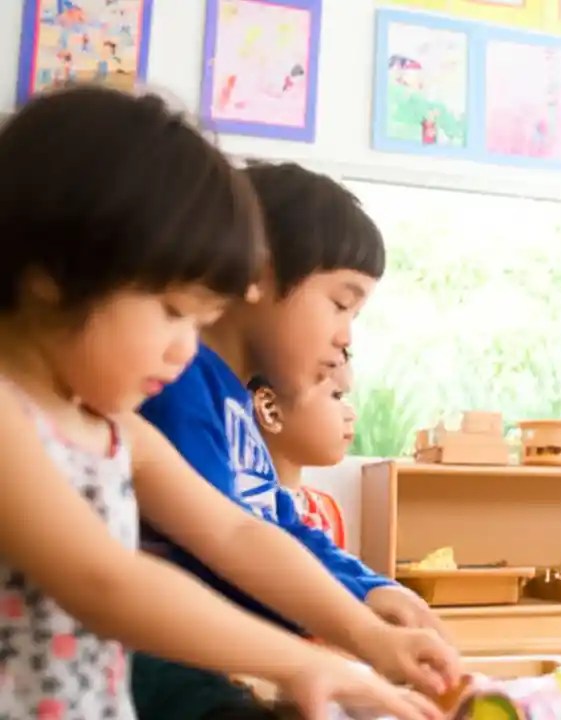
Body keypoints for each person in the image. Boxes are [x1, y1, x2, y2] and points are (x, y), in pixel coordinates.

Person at [0, 86, 436, 720]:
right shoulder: (10, 418)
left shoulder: (112, 427)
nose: (186, 351)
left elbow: (235, 530)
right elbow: (105, 583)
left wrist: (368, 635)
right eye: (174, 313)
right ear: (54, 275)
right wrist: (300, 661)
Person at [131, 161, 460, 717]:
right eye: (340, 303)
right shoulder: (180, 387)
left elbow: (269, 526)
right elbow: (222, 541)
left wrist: (369, 591)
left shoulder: (231, 402)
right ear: (258, 275)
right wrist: (356, 631)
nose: (344, 340)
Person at [250, 350, 357, 549]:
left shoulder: (327, 509)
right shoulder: (242, 510)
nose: (352, 414)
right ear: (270, 409)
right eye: (337, 395)